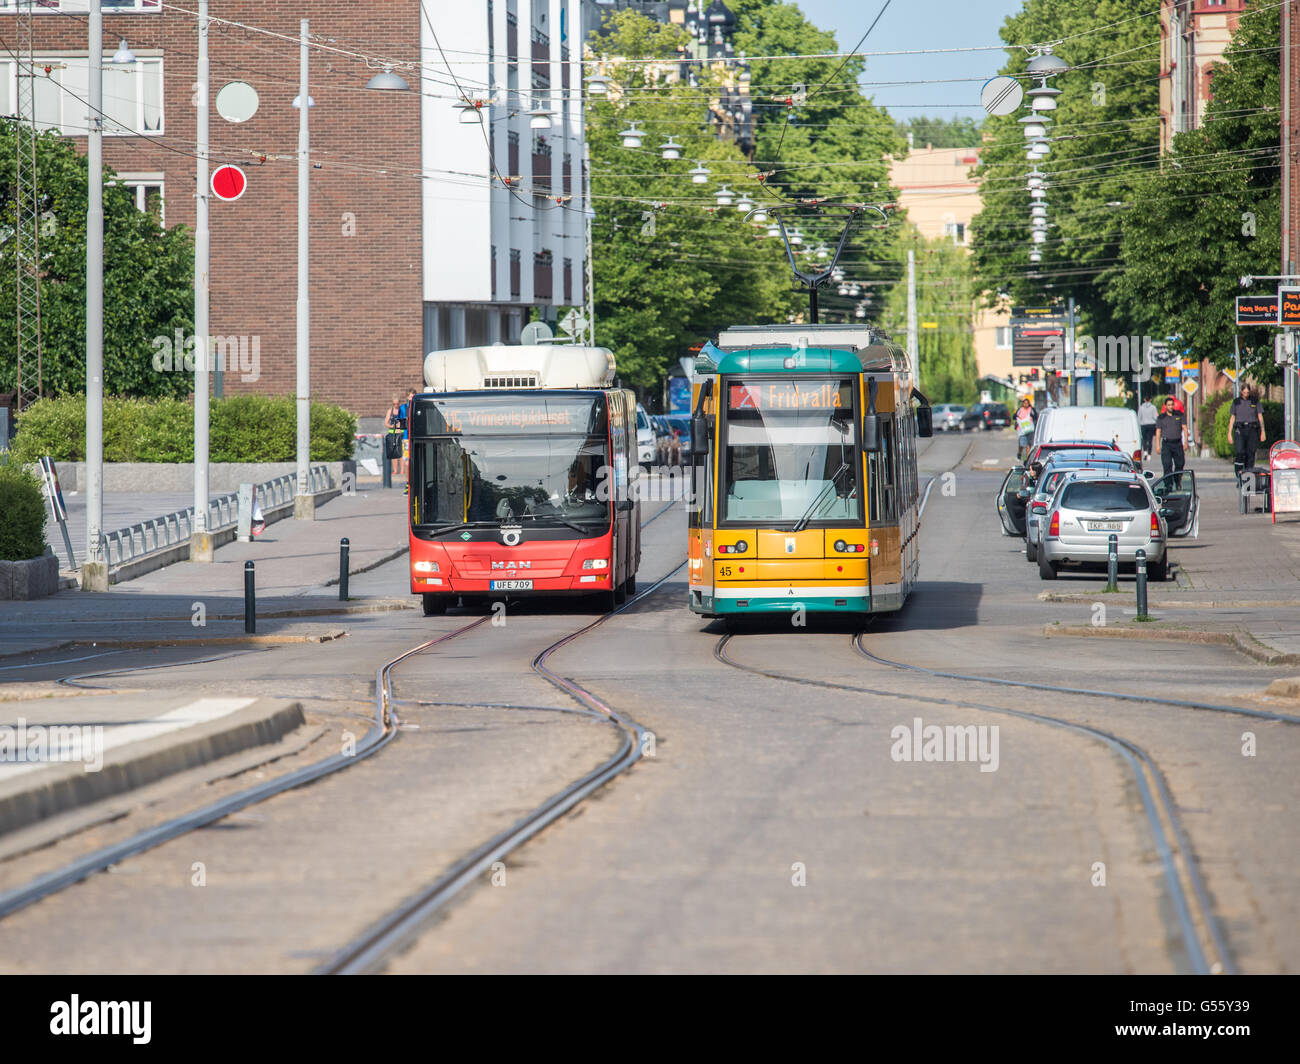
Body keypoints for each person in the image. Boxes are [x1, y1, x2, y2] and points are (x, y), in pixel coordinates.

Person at [1228, 384, 1267, 480]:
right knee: (1240, 452)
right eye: (1244, 392)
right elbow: (1232, 418)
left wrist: (1263, 431)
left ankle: (1249, 476)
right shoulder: (1236, 402)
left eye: (1247, 392)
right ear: (1241, 392)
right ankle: (1239, 475)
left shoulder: (1255, 401)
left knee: (1251, 453)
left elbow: (1260, 417)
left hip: (1252, 429)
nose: (1246, 394)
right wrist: (1229, 433)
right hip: (1240, 429)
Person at [1156, 396, 1186, 477]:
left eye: (1172, 405)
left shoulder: (1179, 415)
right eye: (1169, 405)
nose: (1171, 407)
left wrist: (1186, 443)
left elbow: (1184, 428)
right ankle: (1168, 484)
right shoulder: (1161, 417)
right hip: (1166, 444)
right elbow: (1158, 432)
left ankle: (1177, 481)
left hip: (1177, 443)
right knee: (1167, 465)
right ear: (1165, 406)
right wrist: (1158, 446)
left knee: (1180, 464)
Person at [399, 388, 416, 495]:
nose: (411, 398)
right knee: (407, 462)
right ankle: (408, 483)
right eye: (410, 396)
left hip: (416, 436)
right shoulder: (403, 408)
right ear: (407, 397)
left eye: (413, 396)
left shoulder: (418, 405)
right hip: (406, 438)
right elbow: (400, 423)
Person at [384, 396, 404, 479]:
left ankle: (402, 470)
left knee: (401, 452)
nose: (396, 405)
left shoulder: (402, 410)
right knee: (393, 451)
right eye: (394, 404)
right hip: (392, 433)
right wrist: (392, 426)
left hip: (401, 433)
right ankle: (395, 469)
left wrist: (400, 426)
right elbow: (386, 423)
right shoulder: (390, 411)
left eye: (397, 404)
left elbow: (405, 420)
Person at [1013, 395, 1037, 461]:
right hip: (1021, 429)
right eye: (1024, 403)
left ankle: (1028, 458)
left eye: (1027, 403)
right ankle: (1019, 454)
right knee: (1022, 443)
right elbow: (1014, 416)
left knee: (1028, 445)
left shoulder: (1031, 410)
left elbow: (1036, 416)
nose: (1026, 404)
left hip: (1030, 429)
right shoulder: (1020, 410)